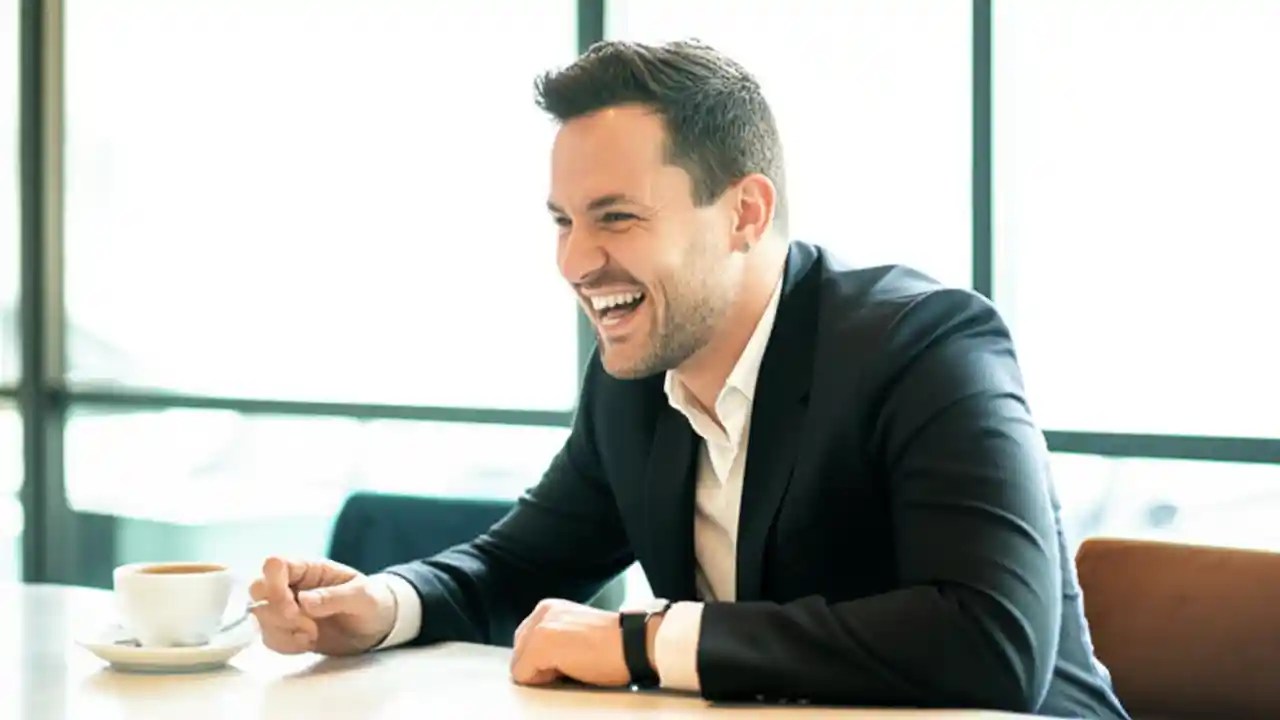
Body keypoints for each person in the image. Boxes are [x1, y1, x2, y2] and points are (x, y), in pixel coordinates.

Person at [250, 39, 1129, 718]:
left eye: (616, 218)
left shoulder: (924, 346)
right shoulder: (636, 378)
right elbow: (515, 564)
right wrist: (381, 606)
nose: (575, 262)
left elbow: (991, 644)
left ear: (745, 212)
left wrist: (644, 643)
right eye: (563, 222)